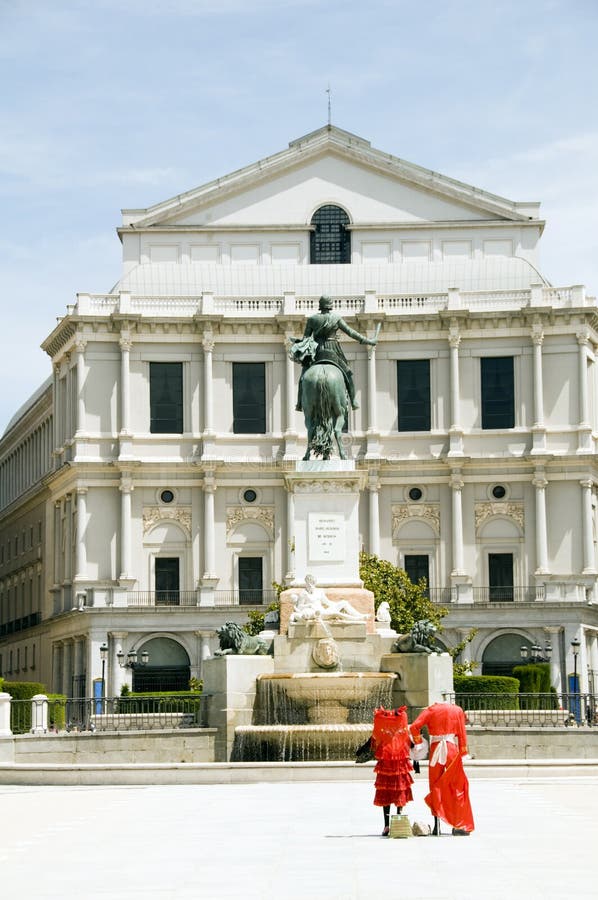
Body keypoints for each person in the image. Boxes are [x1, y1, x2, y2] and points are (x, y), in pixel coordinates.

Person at [291, 295, 377, 411]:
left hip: (316, 352)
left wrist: (298, 343)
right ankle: (353, 401)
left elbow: (306, 339)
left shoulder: (312, 319)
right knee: (348, 374)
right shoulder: (336, 318)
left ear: (320, 305)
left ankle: (299, 403)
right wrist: (368, 341)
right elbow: (351, 333)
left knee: (303, 377)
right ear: (330, 305)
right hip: (333, 350)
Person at [409, 701, 474, 836]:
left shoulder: (431, 710)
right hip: (451, 749)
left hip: (435, 750)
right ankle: (458, 824)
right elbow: (462, 733)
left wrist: (418, 742)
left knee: (434, 784)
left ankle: (436, 826)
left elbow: (414, 727)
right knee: (458, 786)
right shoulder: (457, 710)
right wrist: (463, 752)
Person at [371, 706, 414, 836]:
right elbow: (406, 736)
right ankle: (398, 822)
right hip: (400, 757)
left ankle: (386, 826)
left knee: (385, 790)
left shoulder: (381, 718)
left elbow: (375, 736)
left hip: (385, 756)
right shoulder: (402, 716)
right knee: (400, 788)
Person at [289, 574, 369, 623]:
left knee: (344, 602)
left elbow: (328, 602)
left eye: (312, 583)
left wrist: (337, 605)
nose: (310, 585)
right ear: (306, 583)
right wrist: (309, 605)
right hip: (316, 614)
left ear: (314, 583)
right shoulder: (303, 594)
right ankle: (357, 619)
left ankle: (359, 615)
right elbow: (299, 607)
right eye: (308, 583)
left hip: (324, 611)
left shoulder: (319, 591)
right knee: (337, 614)